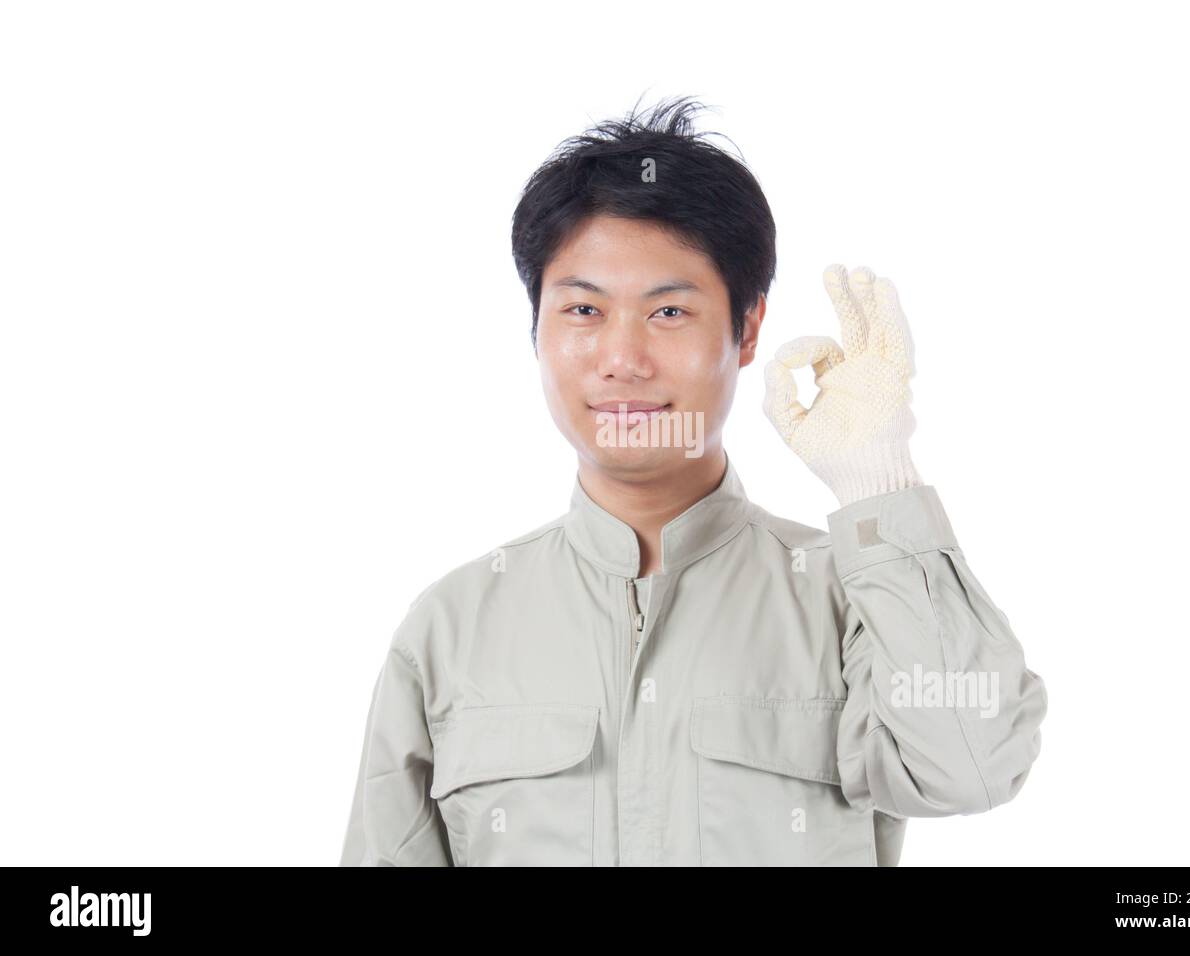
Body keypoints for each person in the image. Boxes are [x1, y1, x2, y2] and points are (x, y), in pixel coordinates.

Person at [339, 94, 1047, 866]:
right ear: (535, 330)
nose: (623, 358)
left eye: (669, 312)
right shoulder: (449, 628)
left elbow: (972, 767)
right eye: (582, 309)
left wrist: (877, 482)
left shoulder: (848, 598)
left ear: (746, 329)